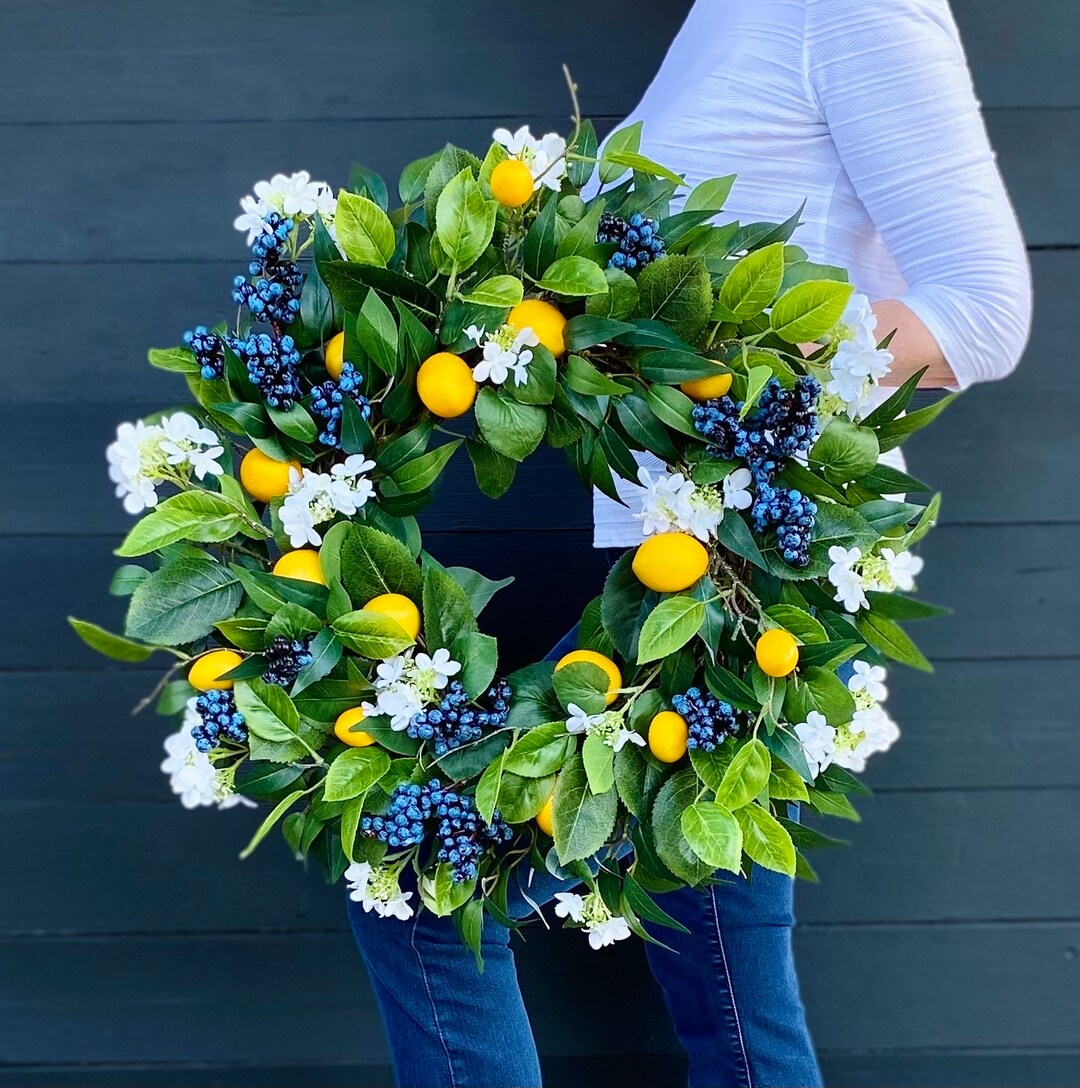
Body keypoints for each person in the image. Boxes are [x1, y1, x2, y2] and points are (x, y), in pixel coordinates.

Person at [348, 2, 1032, 1085]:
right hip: (682, 573)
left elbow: (987, 311)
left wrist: (724, 379)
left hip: (739, 584)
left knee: (424, 881)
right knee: (736, 1005)